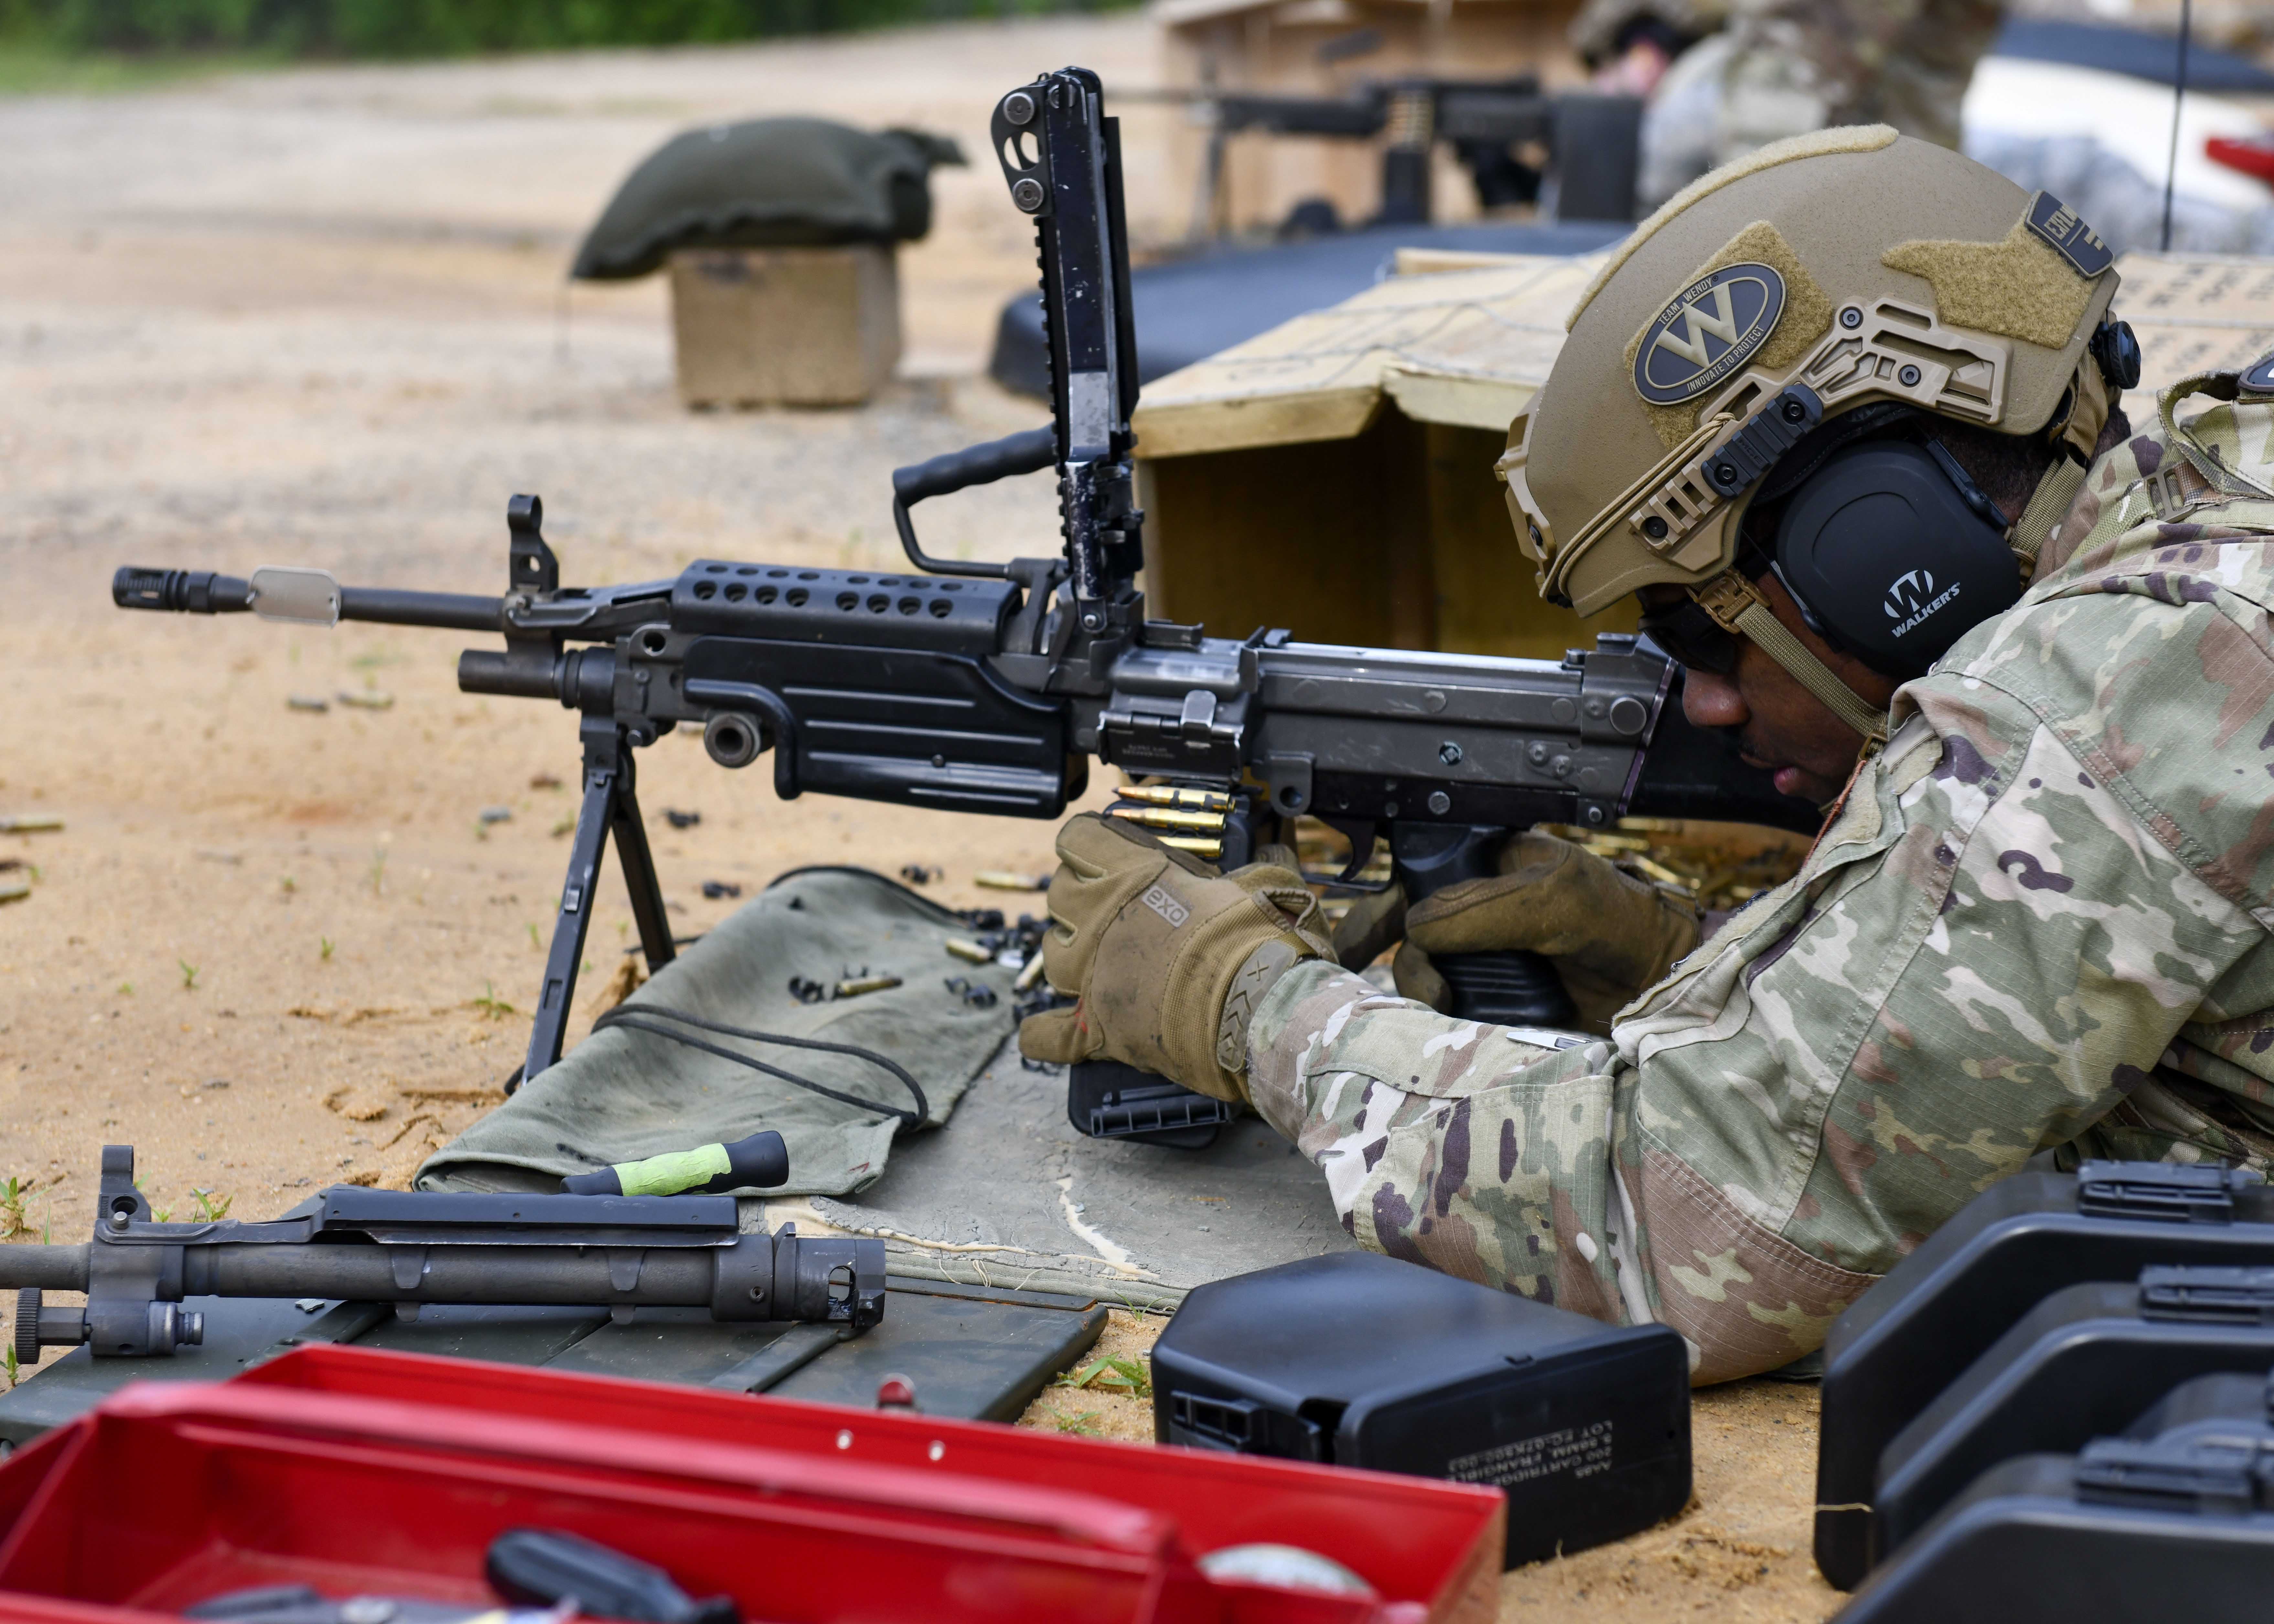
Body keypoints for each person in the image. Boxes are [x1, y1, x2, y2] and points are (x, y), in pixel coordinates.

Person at [1020, 127, 2274, 1383]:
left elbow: (1691, 1222)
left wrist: (1241, 1000)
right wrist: (1691, 961)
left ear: (1877, 557)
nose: (1709, 704)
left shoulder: (2106, 690)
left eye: (1698, 626)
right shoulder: (2214, 508)